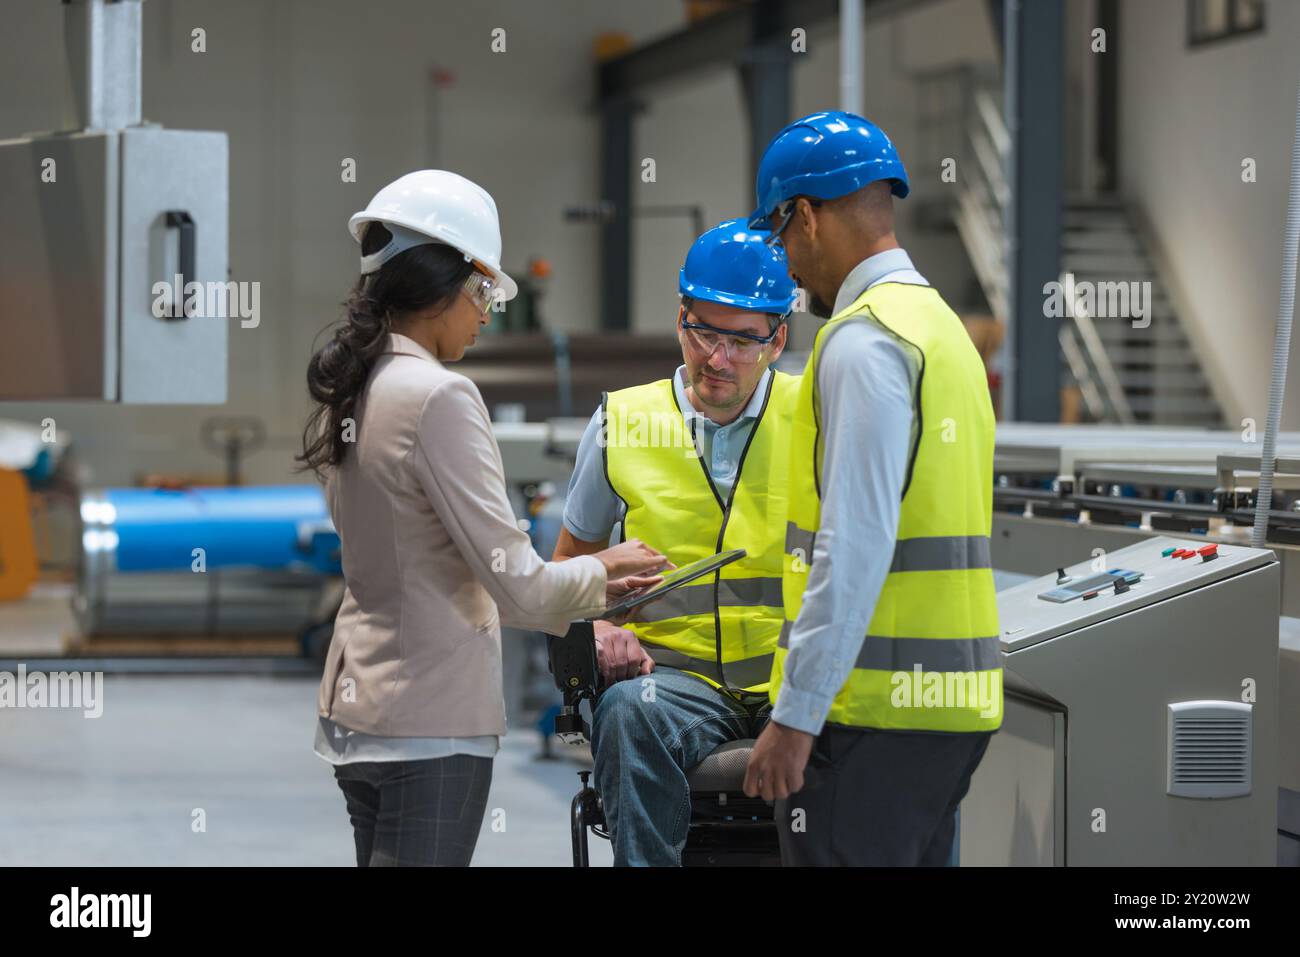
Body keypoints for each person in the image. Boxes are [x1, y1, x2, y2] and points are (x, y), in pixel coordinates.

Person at [298, 169, 665, 867]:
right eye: (486, 292)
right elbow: (518, 588)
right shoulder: (439, 396)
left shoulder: (360, 386)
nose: (488, 312)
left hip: (361, 709)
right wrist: (605, 573)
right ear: (447, 285)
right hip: (429, 724)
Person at [741, 112, 1004, 865]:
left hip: (874, 711)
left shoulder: (862, 340)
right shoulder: (940, 328)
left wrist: (796, 715)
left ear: (810, 217)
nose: (787, 268)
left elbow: (853, 542)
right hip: (949, 706)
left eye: (781, 236)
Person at [552, 219, 799, 865]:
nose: (717, 358)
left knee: (863, 730)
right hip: (673, 681)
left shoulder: (816, 417)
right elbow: (566, 569)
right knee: (630, 712)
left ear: (779, 337)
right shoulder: (621, 421)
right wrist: (592, 627)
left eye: (742, 340)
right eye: (704, 332)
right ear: (679, 317)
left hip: (795, 680)